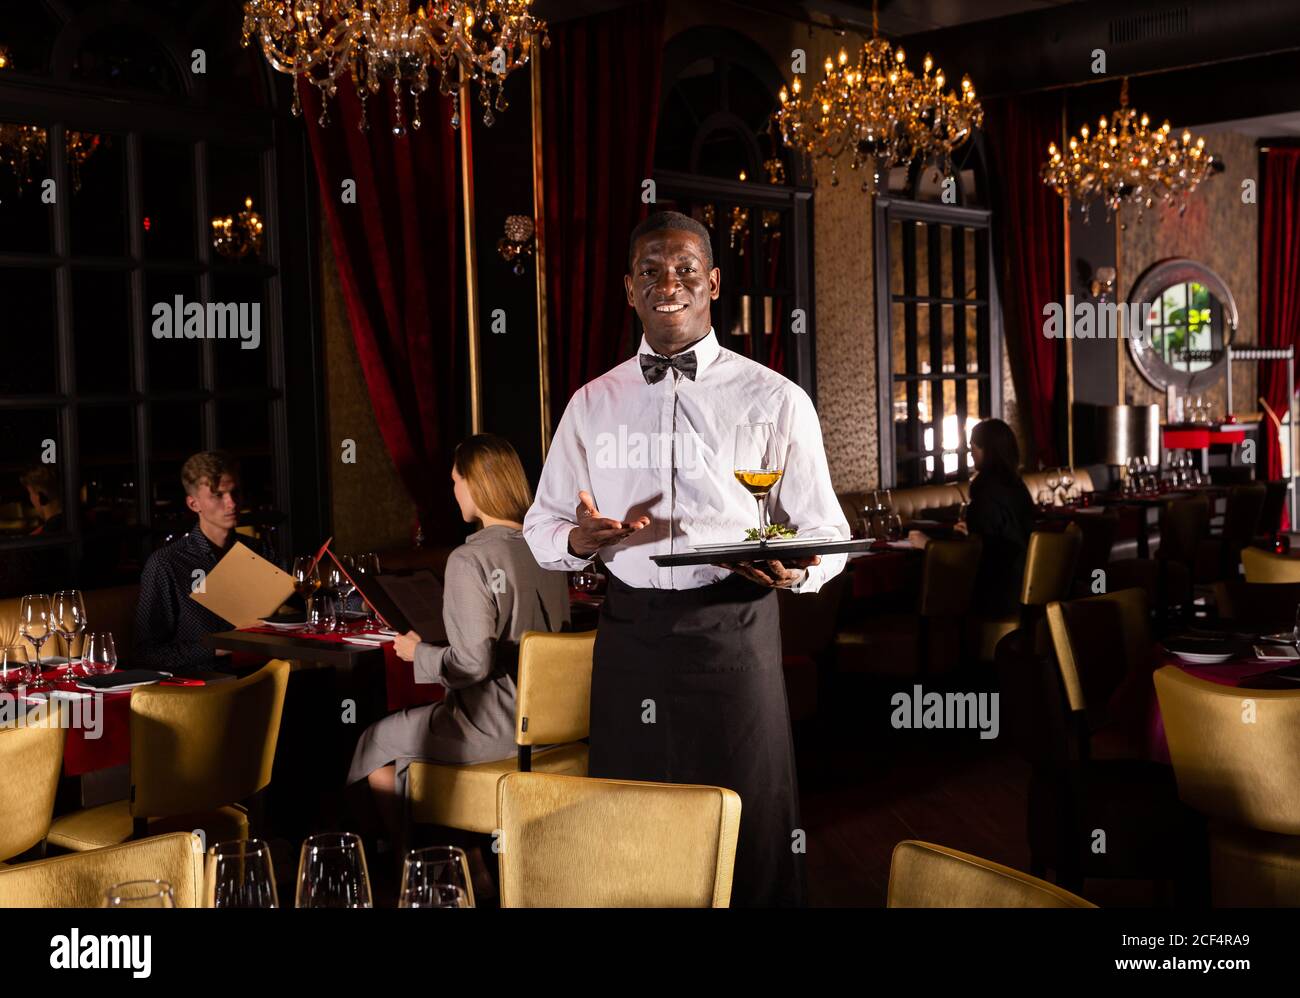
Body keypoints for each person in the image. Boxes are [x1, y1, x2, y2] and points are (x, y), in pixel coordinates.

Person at [523, 210, 849, 907]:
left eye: (685, 271)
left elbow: (824, 529)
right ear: (628, 288)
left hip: (733, 630)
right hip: (630, 632)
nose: (668, 284)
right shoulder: (590, 404)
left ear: (714, 283)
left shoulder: (776, 398)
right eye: (650, 271)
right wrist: (580, 541)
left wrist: (796, 567)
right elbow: (541, 527)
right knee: (629, 820)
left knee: (749, 820)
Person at [348, 434, 570, 842]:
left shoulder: (470, 559)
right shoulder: (548, 550)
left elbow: (473, 665)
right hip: (554, 728)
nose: (454, 491)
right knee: (400, 750)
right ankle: (467, 864)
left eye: (455, 480)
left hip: (493, 729)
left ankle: (406, 870)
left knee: (375, 740)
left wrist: (419, 654)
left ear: (475, 483)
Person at [134, 451, 253, 672]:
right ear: (193, 504)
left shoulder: (257, 549)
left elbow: (305, 601)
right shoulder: (166, 563)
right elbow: (147, 653)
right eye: (218, 495)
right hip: (200, 687)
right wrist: (218, 646)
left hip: (267, 676)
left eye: (235, 492)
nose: (231, 503)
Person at [906, 418, 1034, 617]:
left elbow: (978, 558)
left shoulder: (987, 490)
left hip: (995, 596)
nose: (971, 454)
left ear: (986, 451)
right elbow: (1003, 536)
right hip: (1022, 588)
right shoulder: (1018, 487)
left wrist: (928, 545)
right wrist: (972, 534)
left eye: (972, 448)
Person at [20, 466, 64, 535]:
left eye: (30, 493)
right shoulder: (78, 524)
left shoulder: (40, 539)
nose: (31, 499)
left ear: (40, 496)